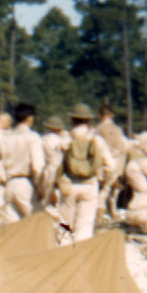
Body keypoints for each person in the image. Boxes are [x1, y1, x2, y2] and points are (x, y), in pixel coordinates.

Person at [56, 103, 103, 243]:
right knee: (85, 227)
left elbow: (56, 165)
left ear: (73, 120)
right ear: (88, 120)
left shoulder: (66, 139)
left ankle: (64, 252)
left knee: (65, 226)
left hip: (69, 184)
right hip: (90, 185)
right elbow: (110, 165)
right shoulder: (96, 140)